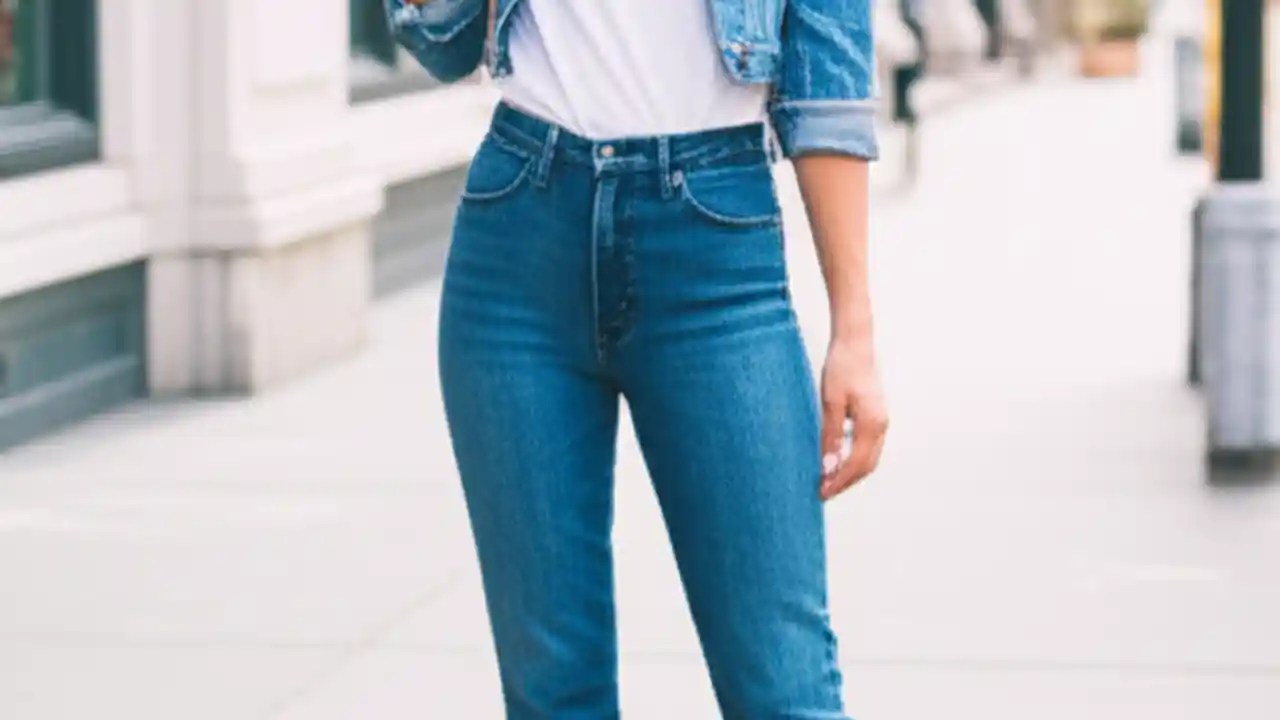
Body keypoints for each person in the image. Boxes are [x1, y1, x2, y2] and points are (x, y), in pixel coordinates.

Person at [386, 0, 889, 716]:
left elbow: (829, 76)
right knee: (554, 695)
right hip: (519, 238)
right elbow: (440, 40)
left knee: (785, 687)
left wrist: (854, 329)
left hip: (716, 260)